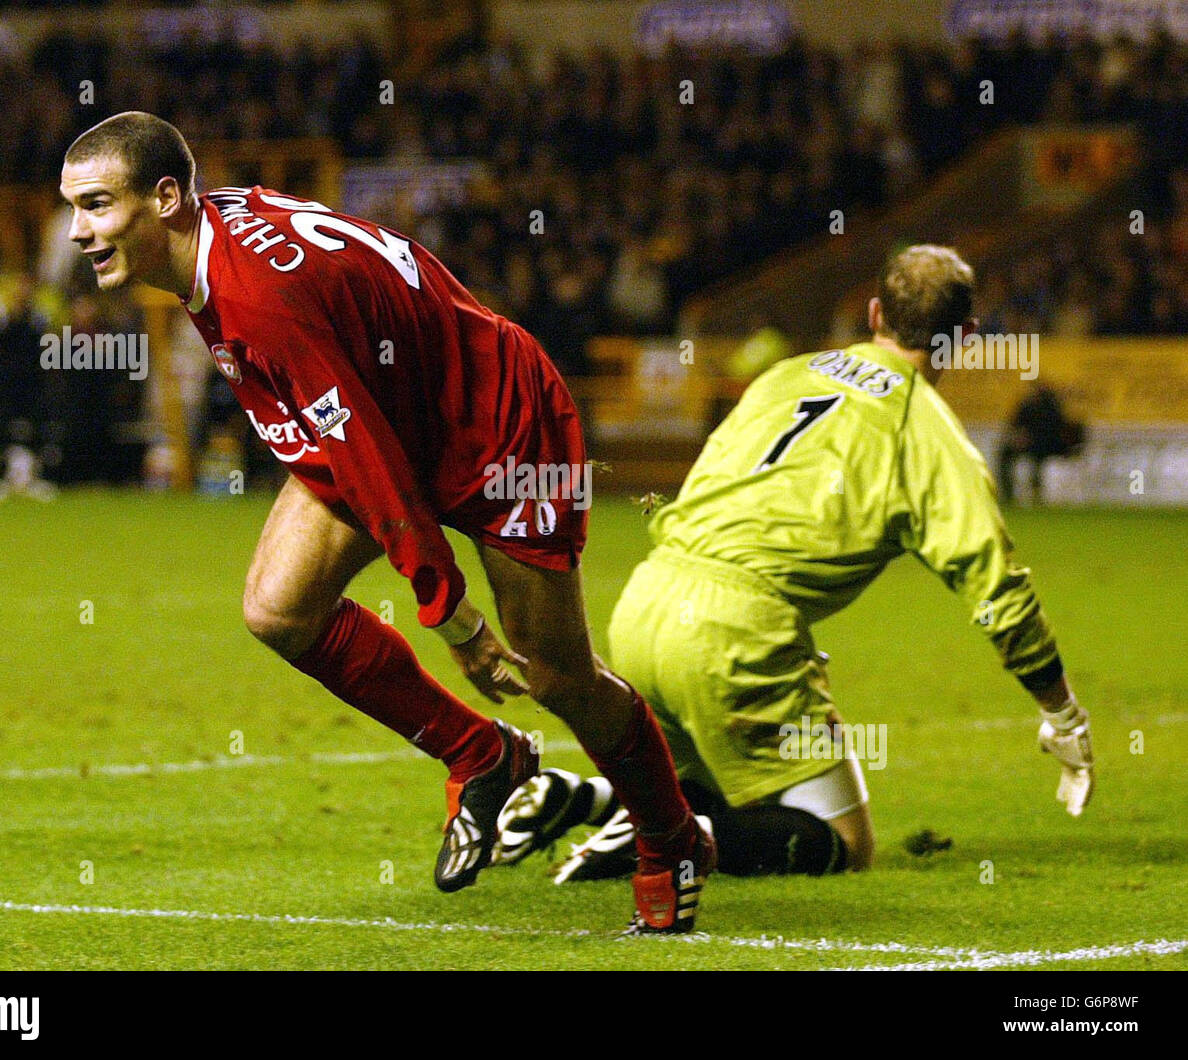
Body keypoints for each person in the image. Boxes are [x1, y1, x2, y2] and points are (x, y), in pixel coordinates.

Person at [59, 111, 713, 933]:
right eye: (74, 207)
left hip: (494, 423)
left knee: (554, 675)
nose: (79, 230)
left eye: (95, 206)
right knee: (278, 606)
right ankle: (482, 753)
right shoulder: (211, 232)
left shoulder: (260, 298)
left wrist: (453, 615)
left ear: (164, 198)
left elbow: (373, 468)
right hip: (395, 409)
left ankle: (672, 839)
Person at [498, 245, 1093, 882]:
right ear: (967, 336)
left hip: (648, 599)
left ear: (873, 313)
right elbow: (997, 592)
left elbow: (718, 480)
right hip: (733, 633)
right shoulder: (929, 435)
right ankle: (674, 839)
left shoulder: (788, 375)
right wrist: (1061, 712)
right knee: (842, 840)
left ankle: (580, 799)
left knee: (706, 781)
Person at [996, 382, 1086, 505]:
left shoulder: (1051, 406)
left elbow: (1056, 429)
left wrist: (1031, 438)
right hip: (1029, 444)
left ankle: (1036, 492)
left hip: (1047, 445)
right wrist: (1019, 438)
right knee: (1005, 455)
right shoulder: (1026, 406)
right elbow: (1015, 425)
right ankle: (1008, 494)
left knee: (1037, 457)